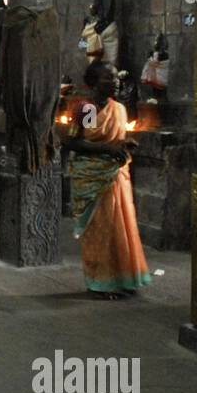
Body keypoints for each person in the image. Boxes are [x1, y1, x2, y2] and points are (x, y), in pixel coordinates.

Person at [62, 61, 150, 298]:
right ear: (93, 83)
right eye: (107, 78)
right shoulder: (88, 109)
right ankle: (99, 283)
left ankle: (122, 278)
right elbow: (76, 142)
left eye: (115, 78)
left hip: (115, 176)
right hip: (92, 177)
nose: (114, 82)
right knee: (99, 231)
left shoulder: (118, 109)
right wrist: (108, 150)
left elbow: (109, 139)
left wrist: (122, 145)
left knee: (120, 228)